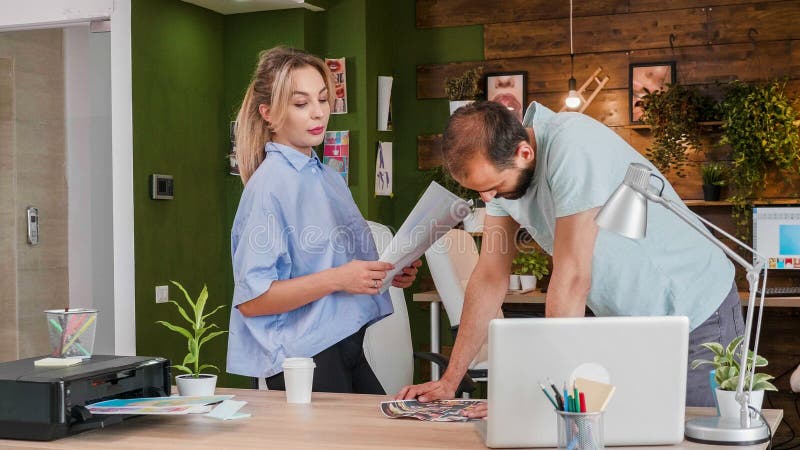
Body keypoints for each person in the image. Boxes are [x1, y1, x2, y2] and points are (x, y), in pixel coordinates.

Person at [396, 101, 741, 412]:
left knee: (696, 437)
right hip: (633, 328)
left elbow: (573, 278)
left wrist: (535, 398)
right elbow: (489, 276)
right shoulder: (502, 180)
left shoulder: (573, 146)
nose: (488, 199)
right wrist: (450, 381)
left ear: (524, 153)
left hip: (697, 312)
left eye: (494, 187)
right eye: (480, 191)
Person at [227, 46, 421, 394]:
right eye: (301, 104)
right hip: (302, 358)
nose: (318, 113)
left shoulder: (327, 178)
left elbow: (335, 265)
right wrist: (339, 279)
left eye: (322, 99)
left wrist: (388, 273)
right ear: (268, 113)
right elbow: (253, 301)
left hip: (346, 344)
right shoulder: (269, 187)